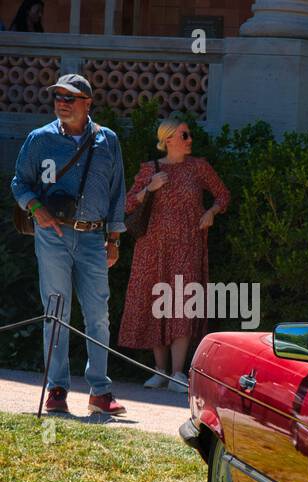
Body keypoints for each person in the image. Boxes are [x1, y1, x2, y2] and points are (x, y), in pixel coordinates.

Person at [10, 74, 127, 415]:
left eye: (70, 97)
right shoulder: (39, 139)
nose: (62, 102)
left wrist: (114, 238)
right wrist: (34, 207)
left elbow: (117, 191)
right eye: (58, 96)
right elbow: (20, 182)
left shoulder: (107, 140)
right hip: (53, 235)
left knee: (98, 315)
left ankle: (100, 391)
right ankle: (57, 387)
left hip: (93, 236)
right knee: (56, 310)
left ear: (88, 103)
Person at [119, 117, 230, 392]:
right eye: (184, 135)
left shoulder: (198, 167)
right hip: (153, 249)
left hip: (187, 245)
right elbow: (126, 203)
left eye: (188, 134)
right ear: (168, 139)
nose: (189, 139)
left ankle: (178, 374)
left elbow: (223, 195)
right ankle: (159, 370)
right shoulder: (150, 169)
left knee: (181, 304)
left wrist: (210, 213)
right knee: (157, 304)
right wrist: (149, 187)